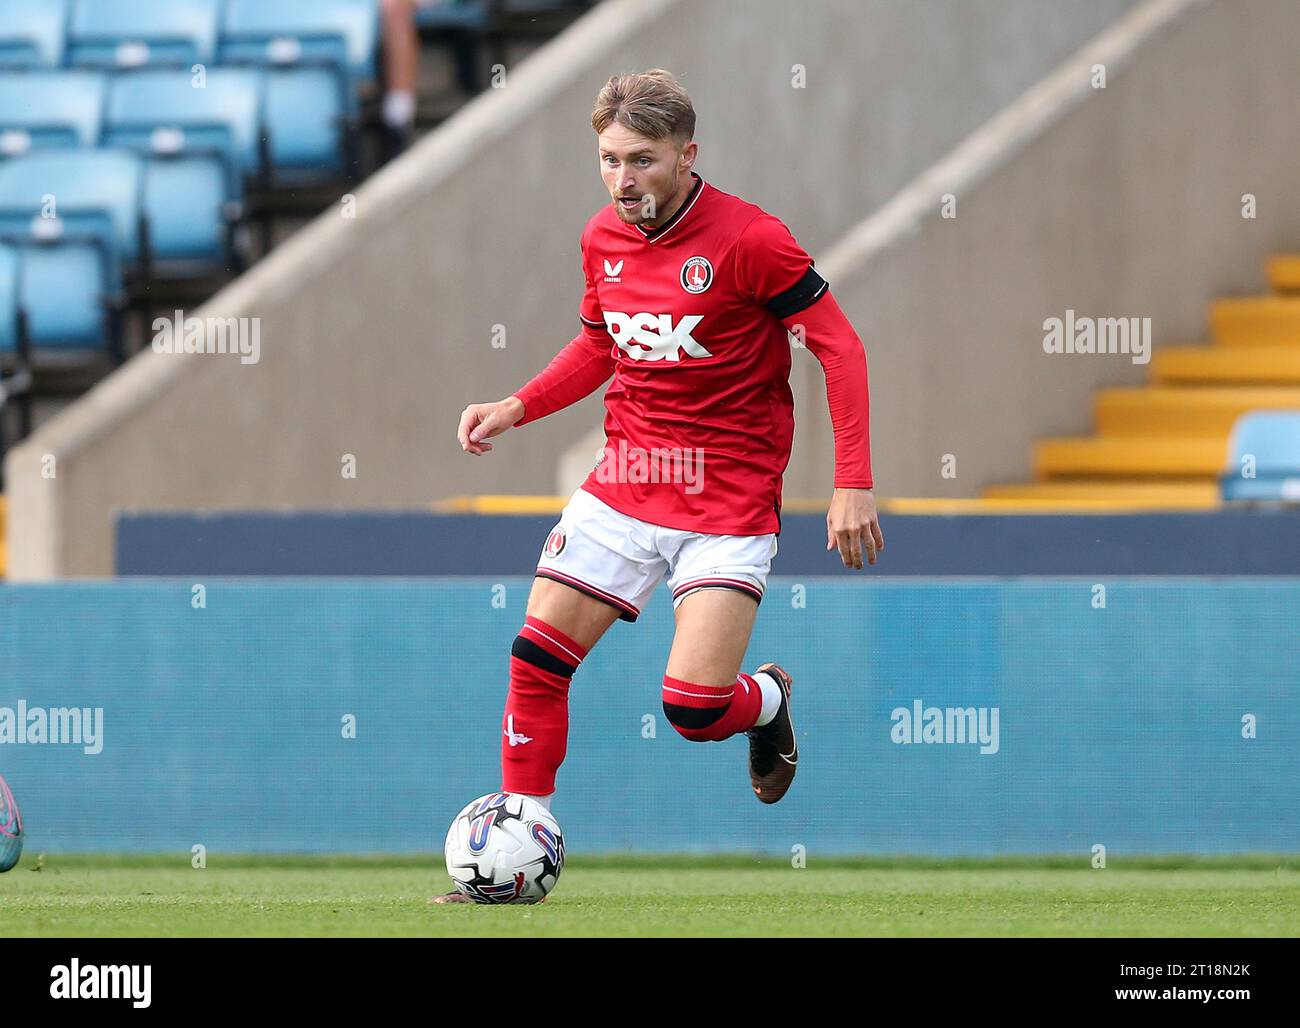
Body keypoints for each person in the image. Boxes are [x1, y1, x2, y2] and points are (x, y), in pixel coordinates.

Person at [436, 69, 882, 903]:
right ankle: (509, 851)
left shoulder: (751, 240)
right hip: (625, 483)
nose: (622, 180)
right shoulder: (601, 237)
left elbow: (840, 347)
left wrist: (851, 481)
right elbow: (602, 347)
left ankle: (768, 701)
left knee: (691, 708)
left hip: (727, 501)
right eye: (608, 160)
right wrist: (516, 405)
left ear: (688, 154)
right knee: (536, 656)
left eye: (641, 160)